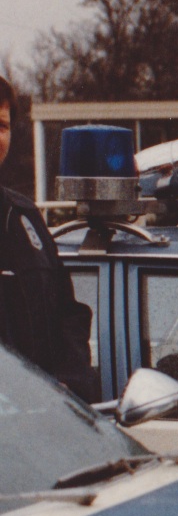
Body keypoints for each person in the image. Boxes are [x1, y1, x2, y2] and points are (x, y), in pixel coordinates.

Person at [0, 76, 97, 401]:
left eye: (1, 126)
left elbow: (68, 314)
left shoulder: (25, 216)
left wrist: (69, 385)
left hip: (37, 429)